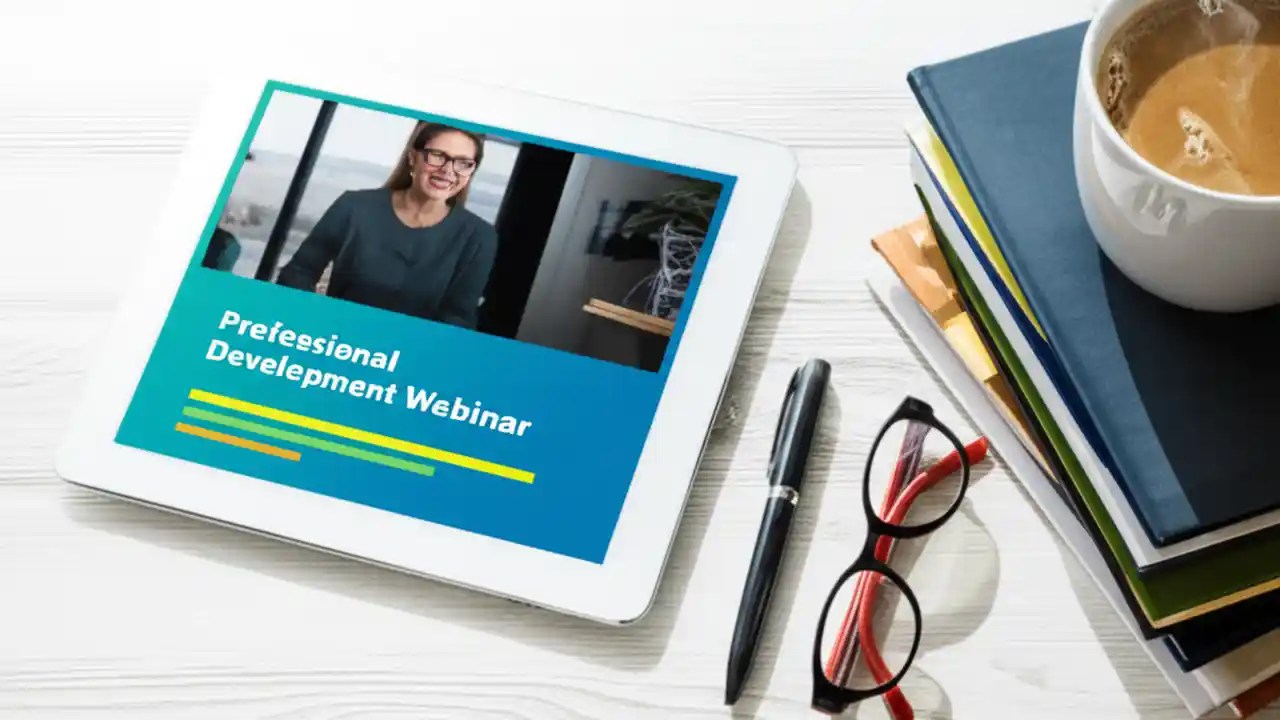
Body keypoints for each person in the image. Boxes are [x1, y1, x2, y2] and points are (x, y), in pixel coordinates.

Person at [276, 122, 499, 329]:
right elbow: (297, 273)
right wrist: (313, 323)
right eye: (438, 156)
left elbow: (458, 318)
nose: (448, 170)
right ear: (413, 158)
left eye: (463, 163)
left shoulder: (480, 237)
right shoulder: (354, 206)